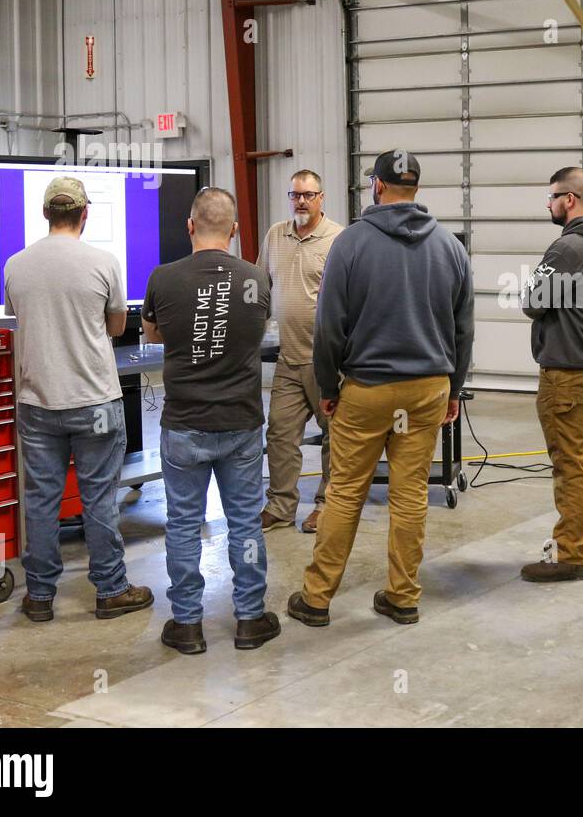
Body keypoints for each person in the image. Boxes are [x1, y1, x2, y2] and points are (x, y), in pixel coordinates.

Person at [287, 150, 474, 628]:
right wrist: (453, 388)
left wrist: (327, 385)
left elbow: (328, 326)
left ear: (377, 185)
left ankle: (317, 598)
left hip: (367, 388)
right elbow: (463, 330)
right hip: (427, 389)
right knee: (410, 494)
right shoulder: (451, 248)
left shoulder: (349, 244)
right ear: (415, 188)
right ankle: (403, 596)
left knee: (346, 490)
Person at [4, 176, 154, 622]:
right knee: (99, 499)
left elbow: (15, 318)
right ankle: (110, 590)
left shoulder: (16, 264)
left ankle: (40, 596)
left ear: (45, 214)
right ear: (84, 213)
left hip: (37, 402)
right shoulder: (103, 262)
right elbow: (113, 328)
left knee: (41, 500)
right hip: (94, 401)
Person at [141, 188, 278, 654]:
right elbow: (255, 333)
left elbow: (154, 334)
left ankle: (187, 624)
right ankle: (250, 618)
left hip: (184, 423)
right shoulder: (256, 279)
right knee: (244, 524)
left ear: (190, 225)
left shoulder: (162, 277)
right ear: (235, 230)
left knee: (183, 524)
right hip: (240, 420)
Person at [519, 167, 583, 582]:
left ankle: (570, 553)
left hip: (566, 372)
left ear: (570, 199)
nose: (548, 204)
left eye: (552, 196)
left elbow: (531, 302)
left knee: (569, 462)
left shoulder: (567, 249)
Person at [258, 169, 343, 533]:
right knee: (279, 432)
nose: (302, 201)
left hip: (328, 362)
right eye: (295, 195)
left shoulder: (339, 239)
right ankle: (280, 507)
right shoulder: (276, 234)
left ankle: (326, 506)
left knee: (334, 437)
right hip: (288, 358)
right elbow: (262, 286)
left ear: (322, 197)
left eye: (309, 195)